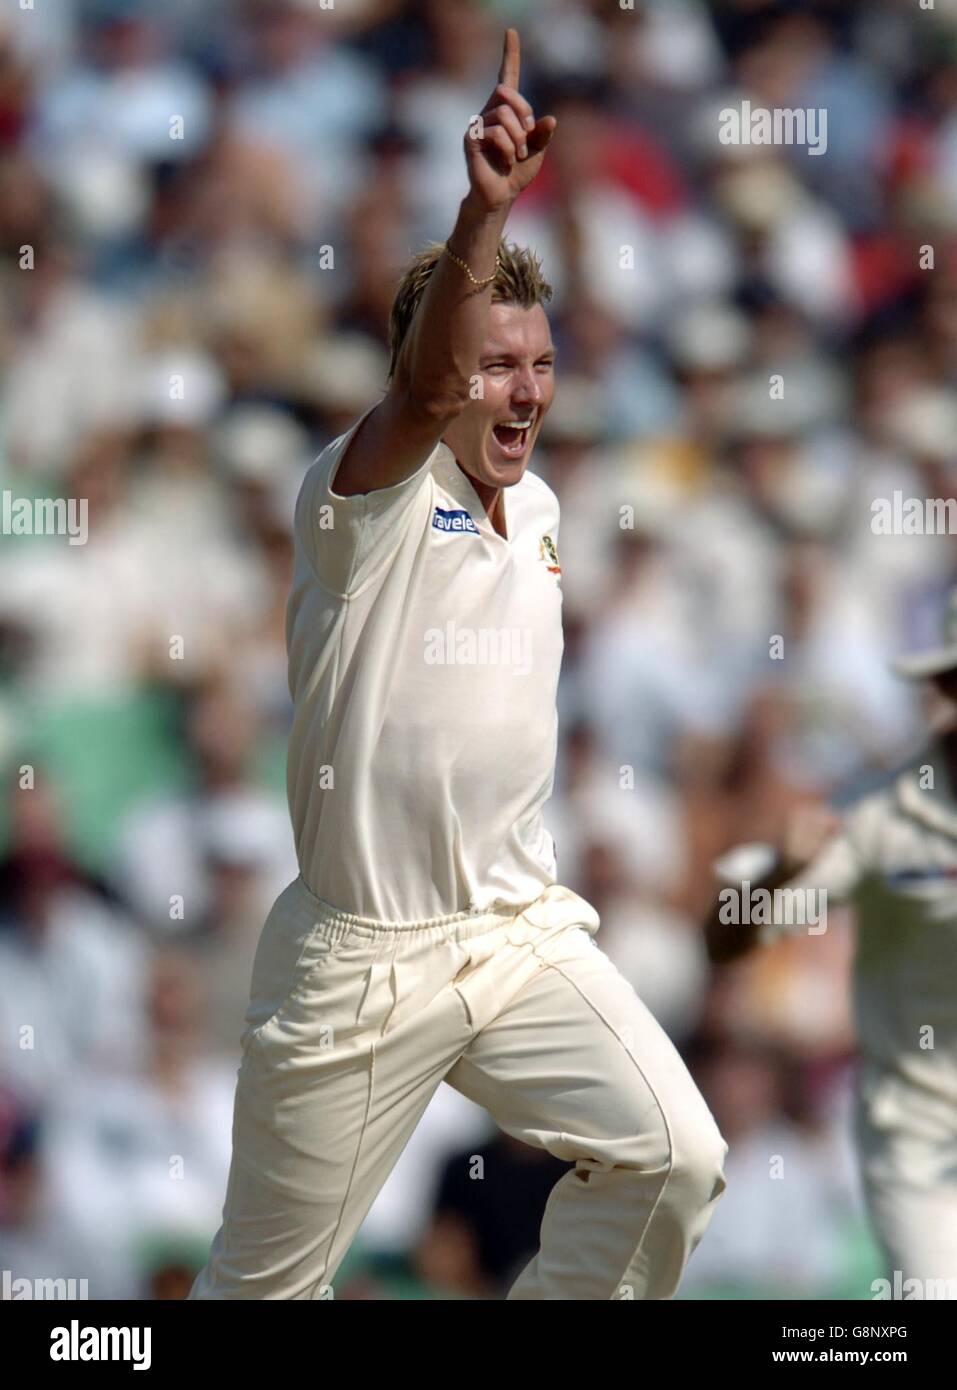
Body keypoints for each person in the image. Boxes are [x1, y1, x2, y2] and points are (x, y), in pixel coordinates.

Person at [190, 29, 726, 1303]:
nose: (525, 390)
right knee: (263, 1291)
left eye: (542, 363)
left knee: (674, 1154)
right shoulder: (356, 497)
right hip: (357, 963)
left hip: (514, 924)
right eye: (498, 364)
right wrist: (480, 216)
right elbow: (427, 388)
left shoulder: (537, 510)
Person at [704, 589, 957, 1297]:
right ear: (945, 687)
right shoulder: (875, 818)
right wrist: (782, 869)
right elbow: (729, 937)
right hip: (922, 1140)